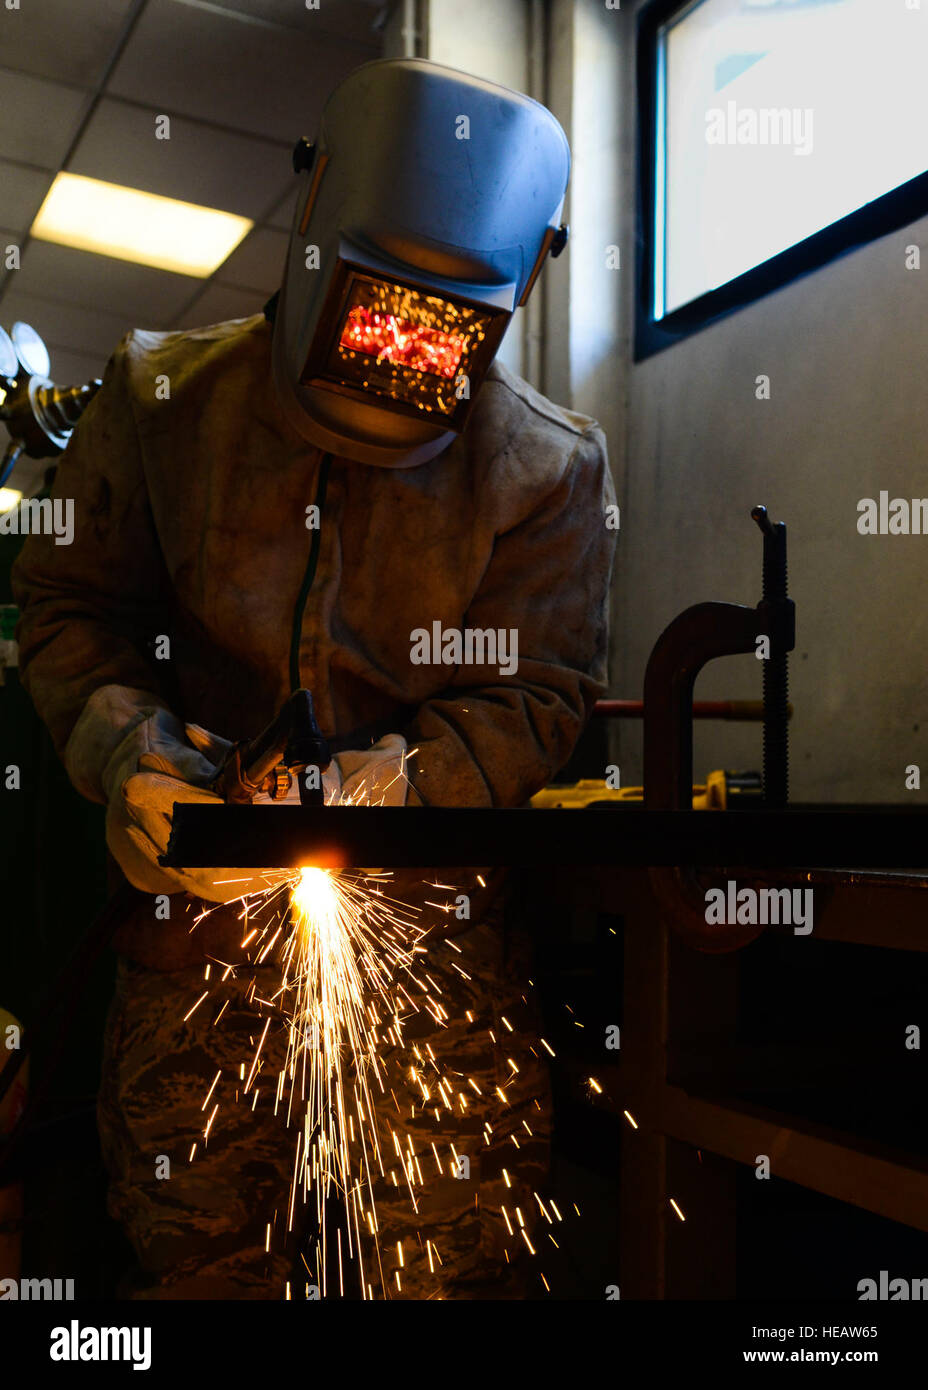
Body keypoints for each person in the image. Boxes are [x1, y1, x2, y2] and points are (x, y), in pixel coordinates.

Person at [12, 58, 616, 1299]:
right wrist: (131, 751)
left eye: (431, 328)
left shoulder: (547, 473)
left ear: (523, 280)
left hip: (427, 935)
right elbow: (72, 612)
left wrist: (408, 782)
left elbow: (539, 695)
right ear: (314, 214)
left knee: (456, 1262)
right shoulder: (159, 398)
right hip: (192, 924)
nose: (390, 356)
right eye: (370, 307)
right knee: (200, 1254)